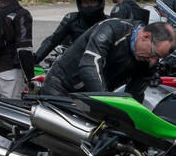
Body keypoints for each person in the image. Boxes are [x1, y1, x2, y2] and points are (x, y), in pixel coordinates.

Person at [41, 19, 176, 99]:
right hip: (60, 88)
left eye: (158, 58)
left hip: (89, 97)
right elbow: (89, 66)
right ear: (145, 36)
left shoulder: (148, 61)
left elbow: (135, 95)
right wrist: (108, 104)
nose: (153, 61)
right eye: (153, 54)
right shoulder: (112, 29)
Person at [34, 0, 105, 64]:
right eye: (85, 2)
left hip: (102, 64)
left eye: (92, 2)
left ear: (100, 2)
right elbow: (52, 41)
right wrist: (35, 59)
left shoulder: (109, 21)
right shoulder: (72, 19)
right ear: (79, 4)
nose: (89, 5)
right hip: (74, 65)